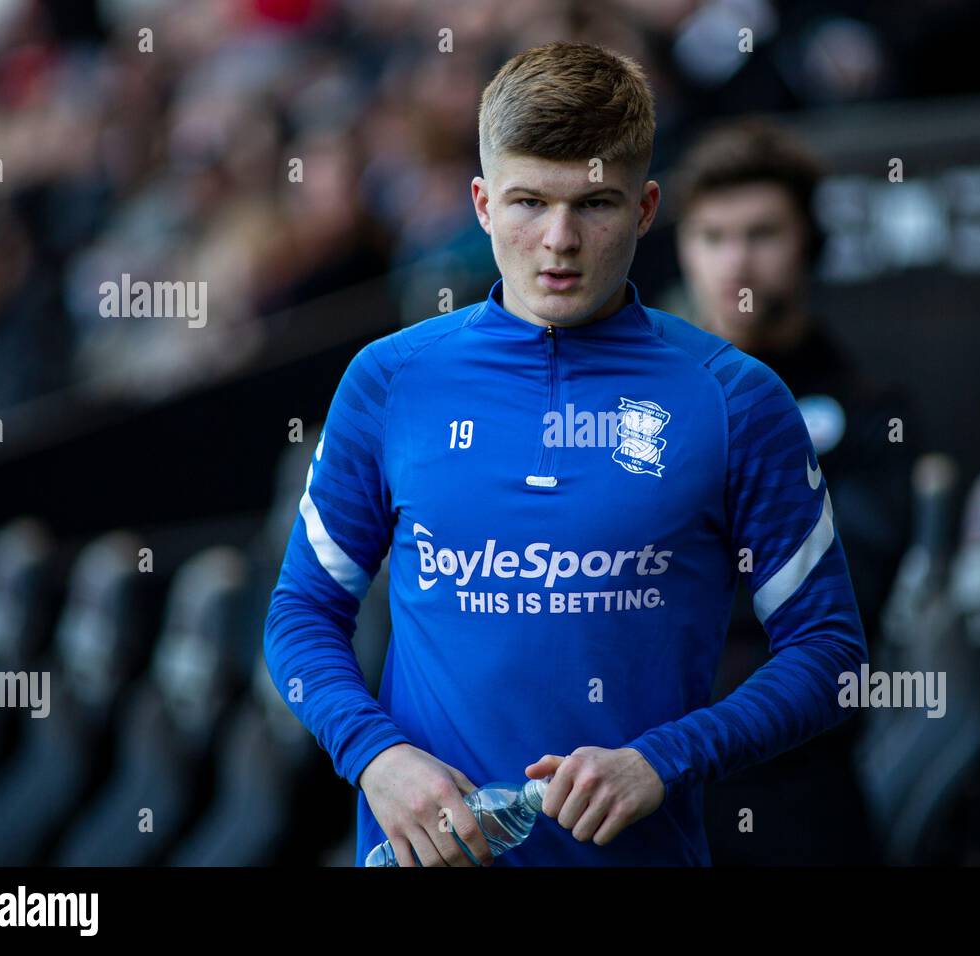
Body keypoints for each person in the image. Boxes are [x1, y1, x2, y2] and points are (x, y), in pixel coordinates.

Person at [264, 41, 867, 867]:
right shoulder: (390, 381)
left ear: (648, 208)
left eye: (594, 204)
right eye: (526, 202)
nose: (558, 240)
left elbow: (830, 652)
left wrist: (666, 759)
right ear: (479, 203)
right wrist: (376, 755)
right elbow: (300, 613)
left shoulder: (734, 397)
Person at [673, 119, 914, 863]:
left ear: (811, 244)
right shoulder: (639, 405)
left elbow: (834, 617)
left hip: (782, 767)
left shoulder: (872, 415)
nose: (735, 261)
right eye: (712, 236)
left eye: (761, 233)